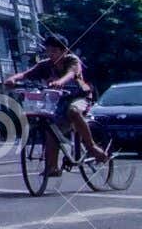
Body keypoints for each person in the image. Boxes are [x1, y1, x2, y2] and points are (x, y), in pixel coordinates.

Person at [6, 34, 107, 168]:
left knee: (73, 111)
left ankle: (92, 147)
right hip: (59, 101)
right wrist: (13, 79)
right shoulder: (45, 65)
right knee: (51, 129)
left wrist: (60, 82)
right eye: (48, 50)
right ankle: (52, 167)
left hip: (79, 97)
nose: (50, 54)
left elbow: (70, 74)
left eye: (54, 51)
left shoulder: (72, 60)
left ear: (63, 51)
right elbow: (26, 74)